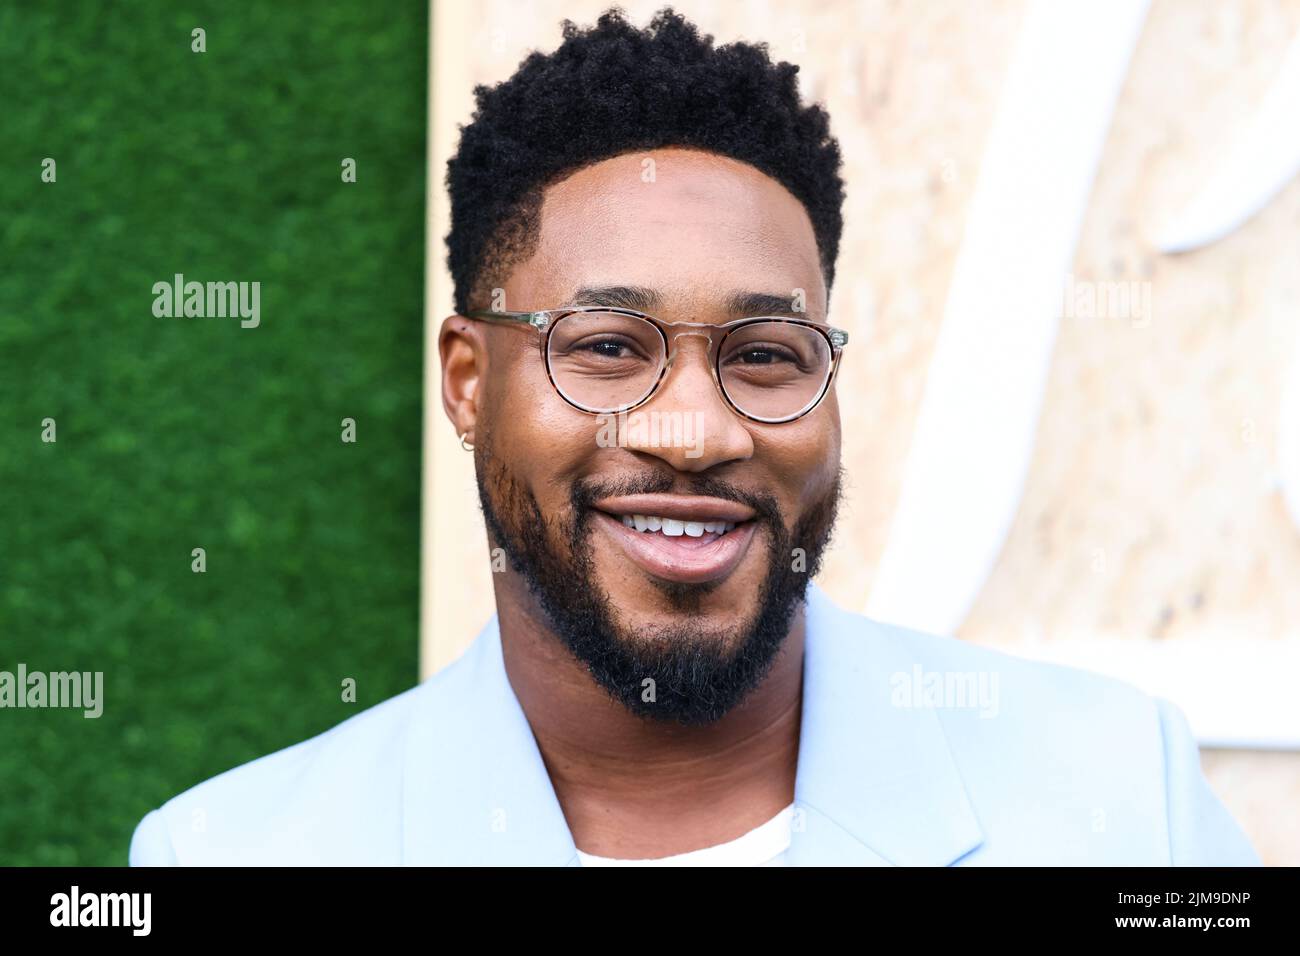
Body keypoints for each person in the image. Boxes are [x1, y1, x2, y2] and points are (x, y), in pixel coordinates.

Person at [130, 7, 1258, 866]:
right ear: (469, 381)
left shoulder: (1122, 800)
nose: (695, 431)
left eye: (766, 353)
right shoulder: (236, 850)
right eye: (609, 346)